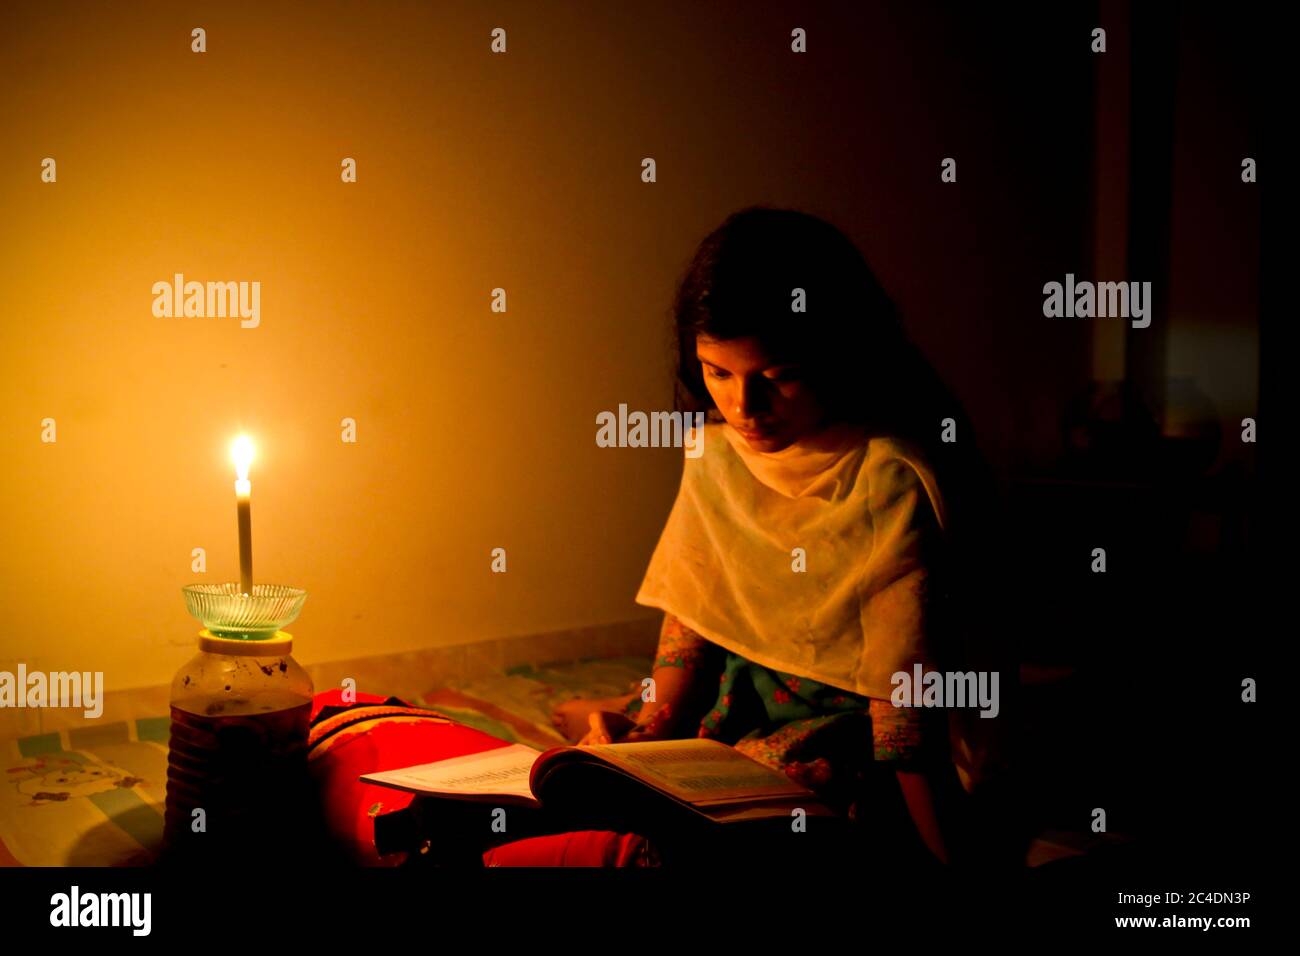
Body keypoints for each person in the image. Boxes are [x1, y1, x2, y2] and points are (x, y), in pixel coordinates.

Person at [553, 206, 1011, 867]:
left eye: (779, 375)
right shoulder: (716, 455)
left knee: (779, 791)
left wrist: (957, 864)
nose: (743, 409)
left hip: (853, 722)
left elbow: (904, 708)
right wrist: (651, 730)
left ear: (842, 352)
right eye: (717, 373)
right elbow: (694, 618)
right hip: (742, 696)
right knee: (588, 740)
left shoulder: (888, 477)